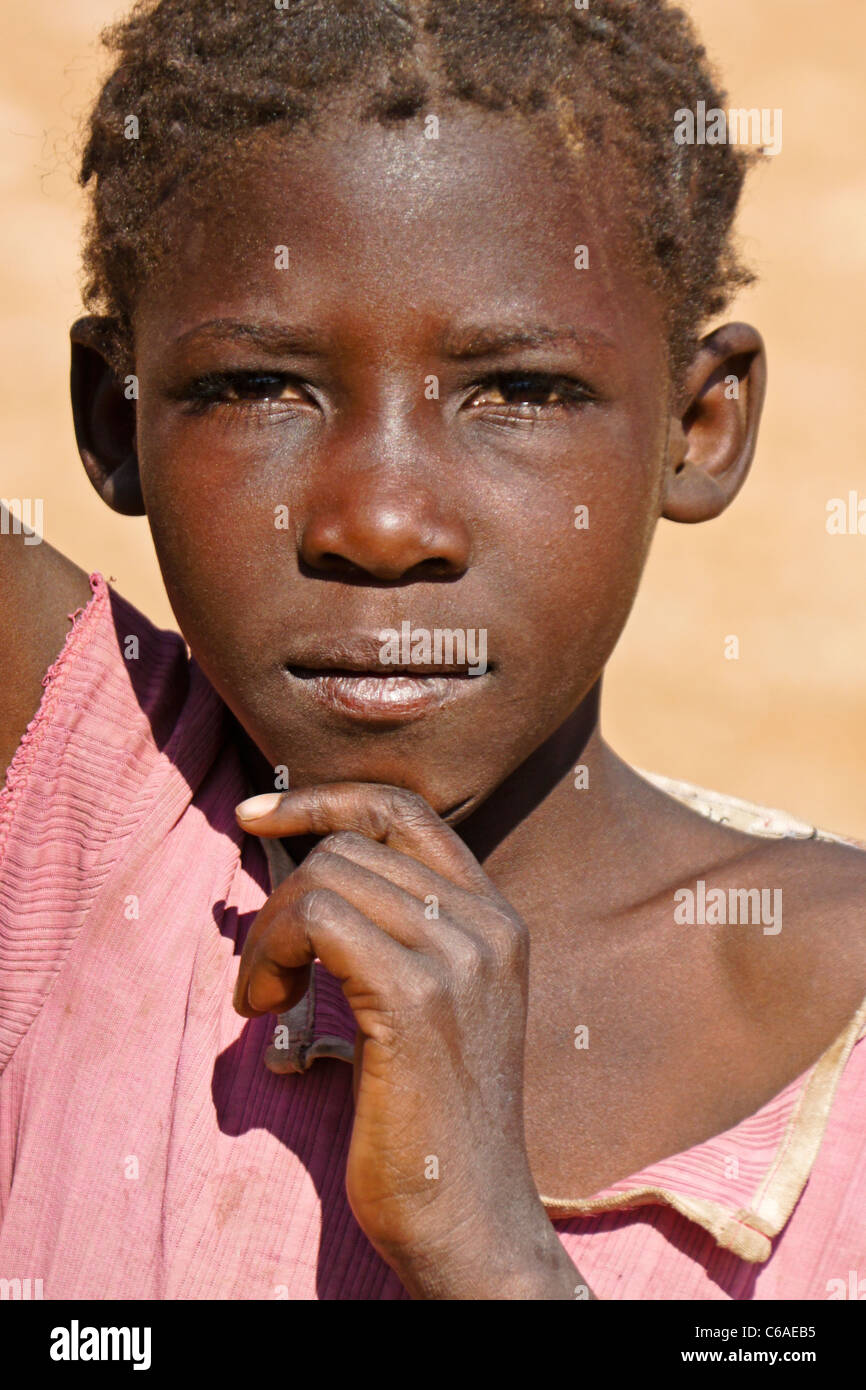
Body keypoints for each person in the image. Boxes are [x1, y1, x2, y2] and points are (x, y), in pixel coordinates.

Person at [1, 0, 864, 1301]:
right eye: (255, 388)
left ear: (696, 427)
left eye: (517, 390)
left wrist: (492, 1256)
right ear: (114, 423)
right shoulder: (87, 799)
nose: (380, 522)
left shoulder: (835, 1040)